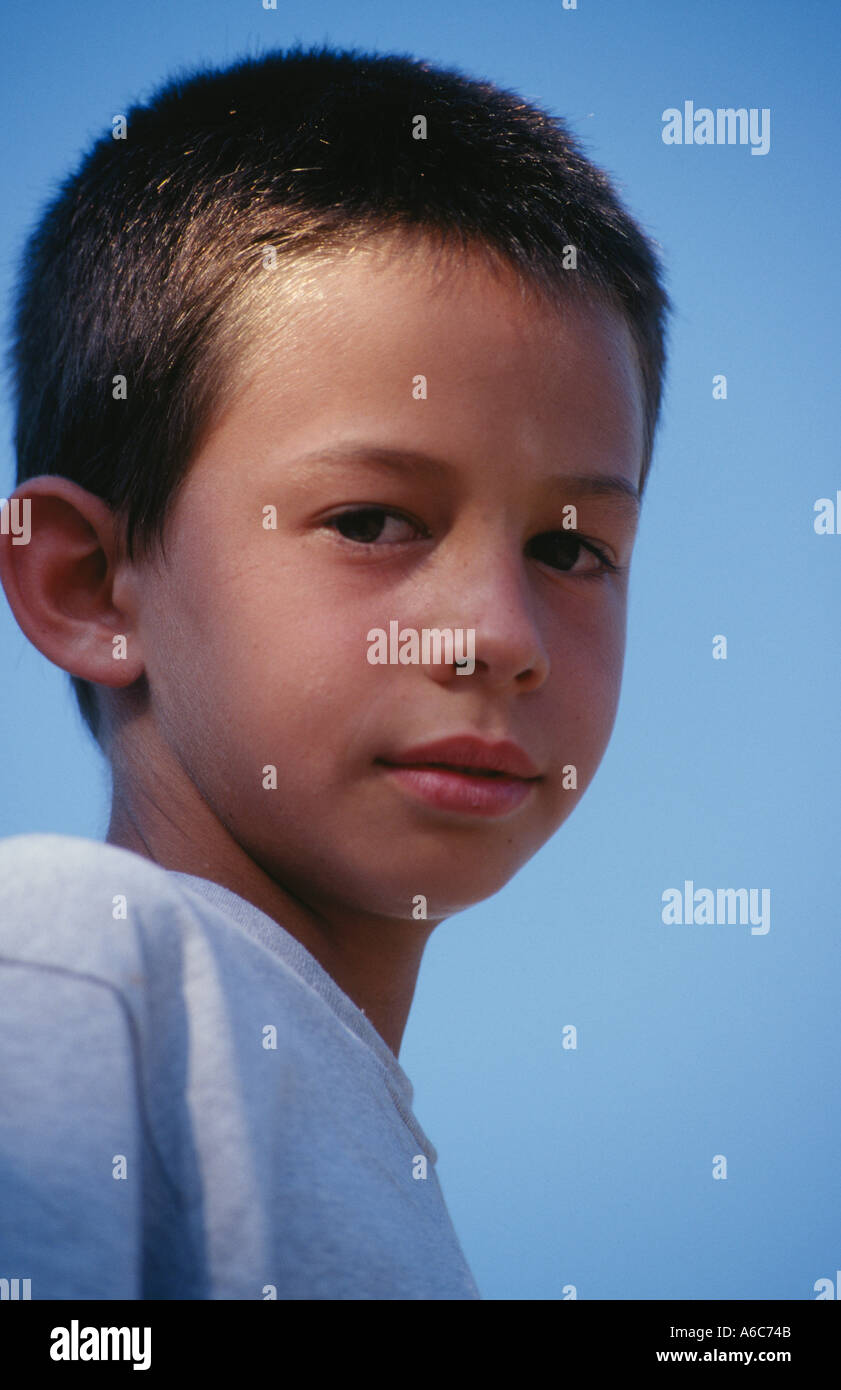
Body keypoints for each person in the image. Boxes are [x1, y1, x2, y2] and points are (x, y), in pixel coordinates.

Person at [0, 43, 670, 1299]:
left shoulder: (364, 1159)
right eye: (372, 522)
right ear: (88, 584)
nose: (499, 636)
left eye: (570, 547)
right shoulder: (68, 967)